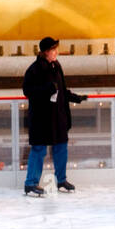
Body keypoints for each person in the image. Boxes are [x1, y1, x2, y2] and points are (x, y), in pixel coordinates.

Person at [22, 37, 88, 196]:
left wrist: (74, 97)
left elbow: (61, 89)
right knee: (38, 149)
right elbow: (28, 91)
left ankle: (61, 180)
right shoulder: (35, 69)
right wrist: (46, 89)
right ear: (45, 52)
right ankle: (30, 183)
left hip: (57, 117)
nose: (56, 52)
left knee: (61, 147)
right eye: (53, 49)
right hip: (41, 118)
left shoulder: (56, 66)